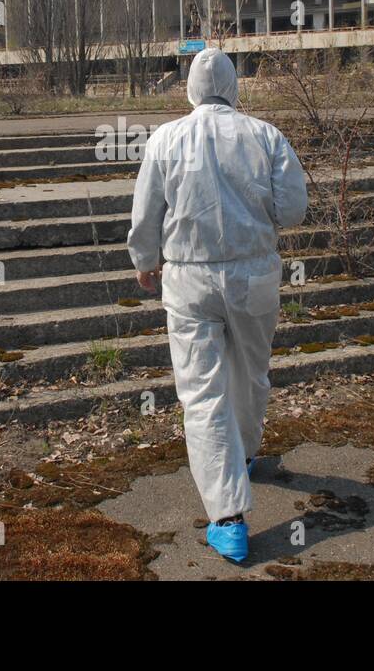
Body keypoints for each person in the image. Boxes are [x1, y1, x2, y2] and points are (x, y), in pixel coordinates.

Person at [127, 47, 308, 563]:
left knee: (203, 394)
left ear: (189, 88)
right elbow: (293, 209)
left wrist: (145, 261)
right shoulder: (265, 135)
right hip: (254, 275)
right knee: (250, 374)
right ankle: (244, 455)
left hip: (189, 279)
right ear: (233, 87)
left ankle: (227, 517)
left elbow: (146, 213)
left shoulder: (166, 139)